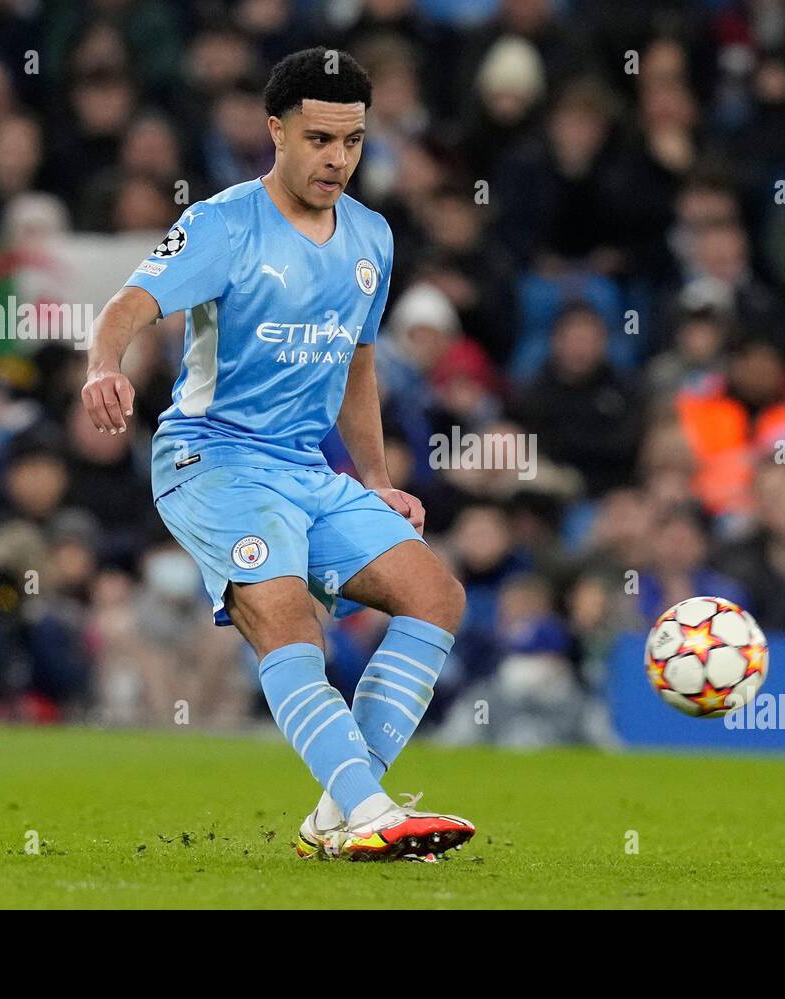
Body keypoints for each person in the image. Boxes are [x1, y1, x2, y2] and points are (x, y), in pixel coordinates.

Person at [80, 48, 473, 863]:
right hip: (213, 461)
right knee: (288, 620)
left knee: (435, 594)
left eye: (354, 141)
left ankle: (343, 808)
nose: (337, 159)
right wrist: (102, 365)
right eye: (320, 139)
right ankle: (369, 811)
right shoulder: (223, 223)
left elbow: (358, 362)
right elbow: (130, 301)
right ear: (276, 132)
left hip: (307, 469)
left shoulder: (372, 235)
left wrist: (377, 480)